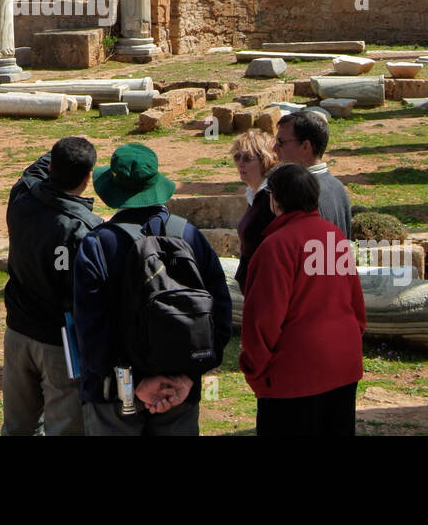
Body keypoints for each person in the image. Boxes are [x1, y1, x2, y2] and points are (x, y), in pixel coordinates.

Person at [72, 143, 232, 435]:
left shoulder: (97, 244)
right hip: (179, 393)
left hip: (113, 397)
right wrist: (187, 378)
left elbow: (90, 330)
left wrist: (135, 385)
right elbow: (220, 313)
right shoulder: (189, 235)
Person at [240, 162, 365, 436]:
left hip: (293, 376)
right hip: (343, 364)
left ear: (275, 200)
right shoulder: (334, 237)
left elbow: (263, 319)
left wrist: (254, 368)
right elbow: (356, 304)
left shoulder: (275, 246)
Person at [1, 136, 104, 435]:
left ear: (51, 170)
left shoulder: (22, 197)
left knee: (16, 427)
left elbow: (33, 170)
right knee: (65, 428)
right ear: (88, 179)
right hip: (60, 345)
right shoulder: (87, 230)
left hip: (17, 332)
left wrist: (65, 156)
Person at [232, 129, 280, 286]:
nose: (240, 163)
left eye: (247, 158)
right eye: (237, 157)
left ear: (265, 160)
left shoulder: (271, 198)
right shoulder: (253, 194)